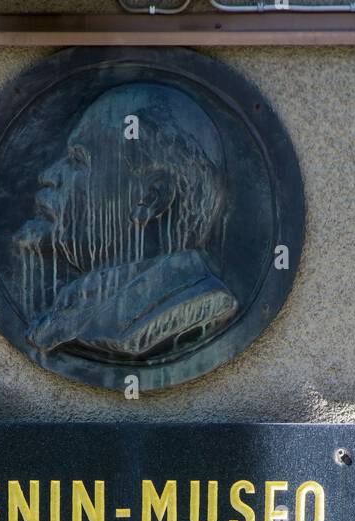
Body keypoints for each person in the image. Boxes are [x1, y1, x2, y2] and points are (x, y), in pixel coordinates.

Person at [15, 83, 238, 361]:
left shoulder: (187, 306)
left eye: (77, 160)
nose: (48, 175)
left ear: (150, 197)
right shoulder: (77, 303)